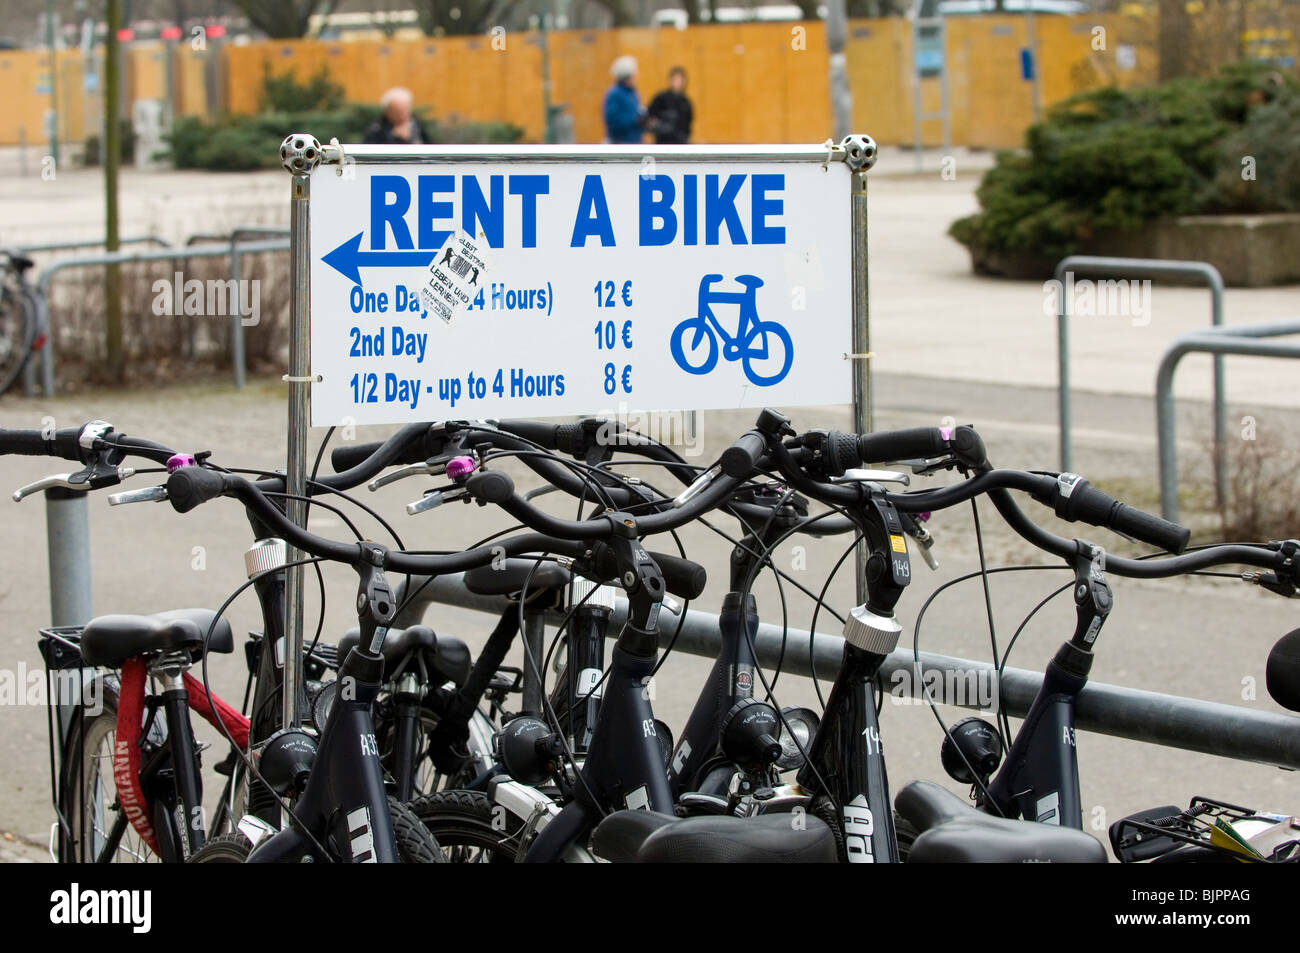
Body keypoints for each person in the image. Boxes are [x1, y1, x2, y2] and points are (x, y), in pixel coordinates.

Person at [603, 56, 645, 145]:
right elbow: (612, 120)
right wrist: (635, 120)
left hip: (635, 141)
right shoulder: (615, 93)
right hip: (619, 143)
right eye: (635, 73)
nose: (637, 75)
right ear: (627, 75)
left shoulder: (633, 92)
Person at [364, 87, 429, 145]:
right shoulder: (377, 129)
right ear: (387, 111)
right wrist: (397, 139)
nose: (402, 116)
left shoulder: (418, 126)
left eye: (405, 110)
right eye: (397, 112)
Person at [646, 66, 693, 145]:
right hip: (662, 142)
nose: (677, 82)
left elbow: (688, 124)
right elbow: (649, 116)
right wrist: (658, 125)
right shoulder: (661, 98)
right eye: (675, 79)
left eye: (679, 79)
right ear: (670, 80)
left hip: (680, 143)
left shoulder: (686, 102)